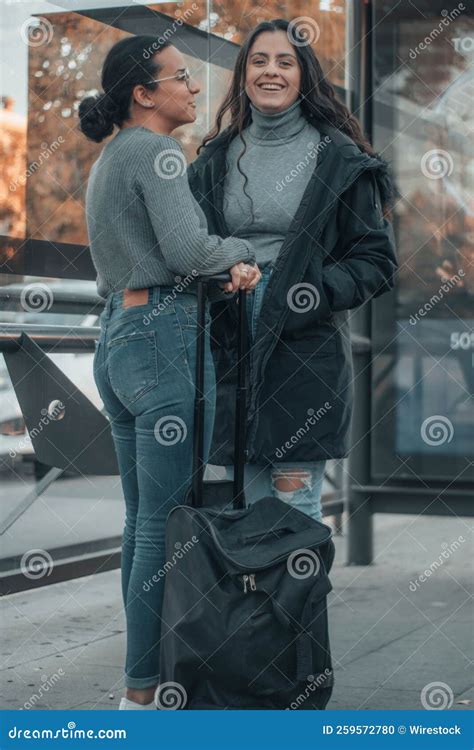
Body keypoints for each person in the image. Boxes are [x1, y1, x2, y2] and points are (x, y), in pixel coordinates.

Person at [79, 35, 261, 710]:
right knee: (163, 523)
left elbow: (168, 259)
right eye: (181, 78)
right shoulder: (155, 151)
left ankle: (141, 682)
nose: (194, 88)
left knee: (141, 523)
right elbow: (189, 248)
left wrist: (216, 274)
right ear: (143, 94)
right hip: (160, 338)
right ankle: (142, 694)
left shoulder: (109, 159)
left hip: (119, 337)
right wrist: (242, 254)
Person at [188, 18, 398, 521]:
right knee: (242, 510)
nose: (271, 72)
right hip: (229, 348)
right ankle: (256, 604)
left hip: (303, 348)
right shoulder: (214, 159)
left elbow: (376, 260)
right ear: (243, 75)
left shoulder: (339, 159)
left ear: (304, 74)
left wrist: (309, 293)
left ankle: (293, 603)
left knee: (295, 511)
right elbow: (193, 248)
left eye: (285, 62)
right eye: (259, 61)